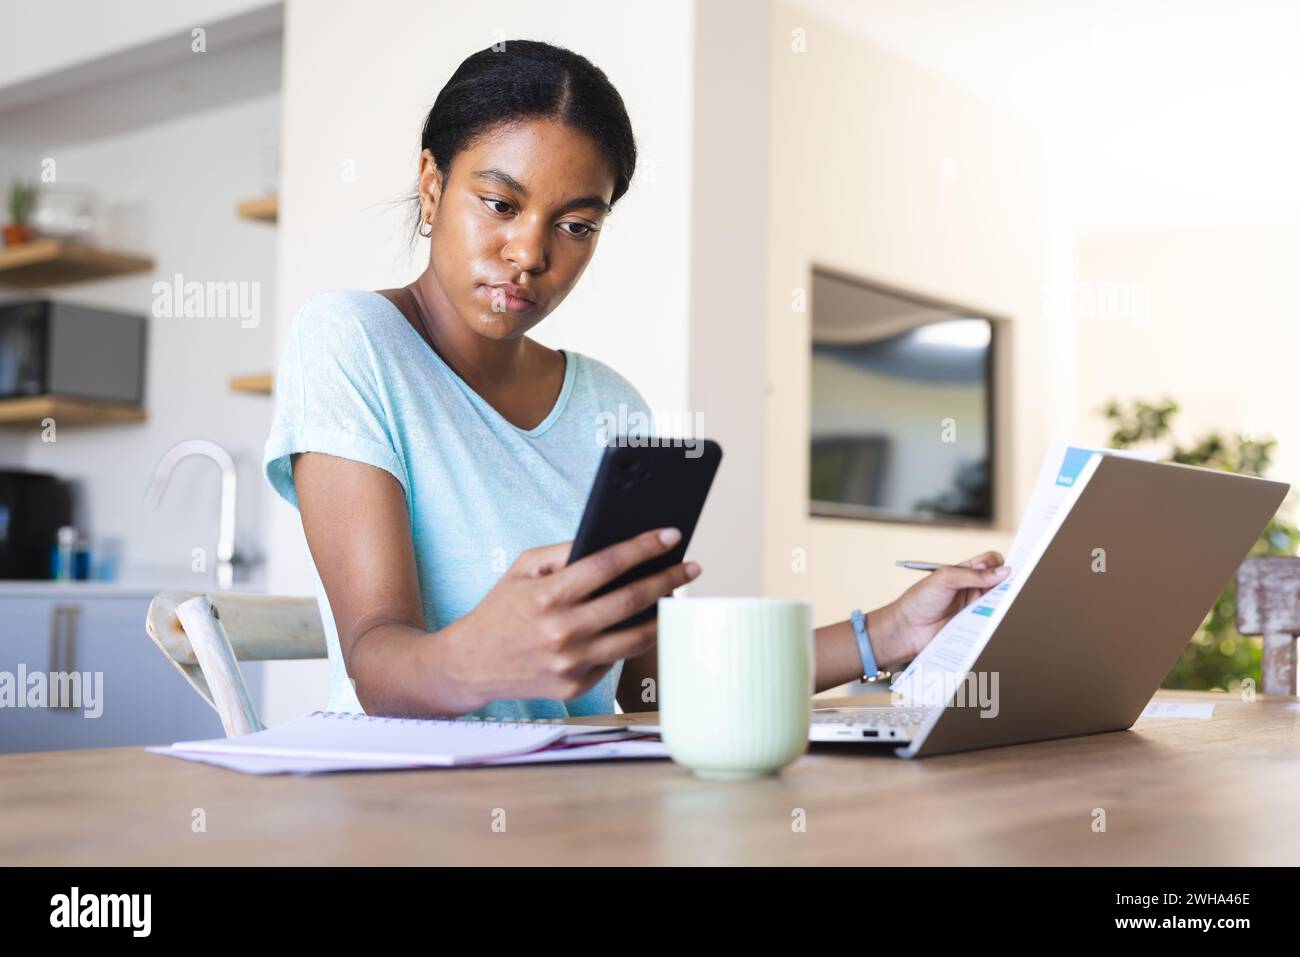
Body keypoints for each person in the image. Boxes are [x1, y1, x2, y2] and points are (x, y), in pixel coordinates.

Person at [263, 39, 1009, 721]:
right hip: (410, 805)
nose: (529, 252)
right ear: (432, 186)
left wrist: (891, 630)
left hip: (582, 805)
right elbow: (376, 665)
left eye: (576, 224)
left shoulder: (613, 406)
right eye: (500, 203)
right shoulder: (352, 341)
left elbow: (651, 687)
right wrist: (481, 655)